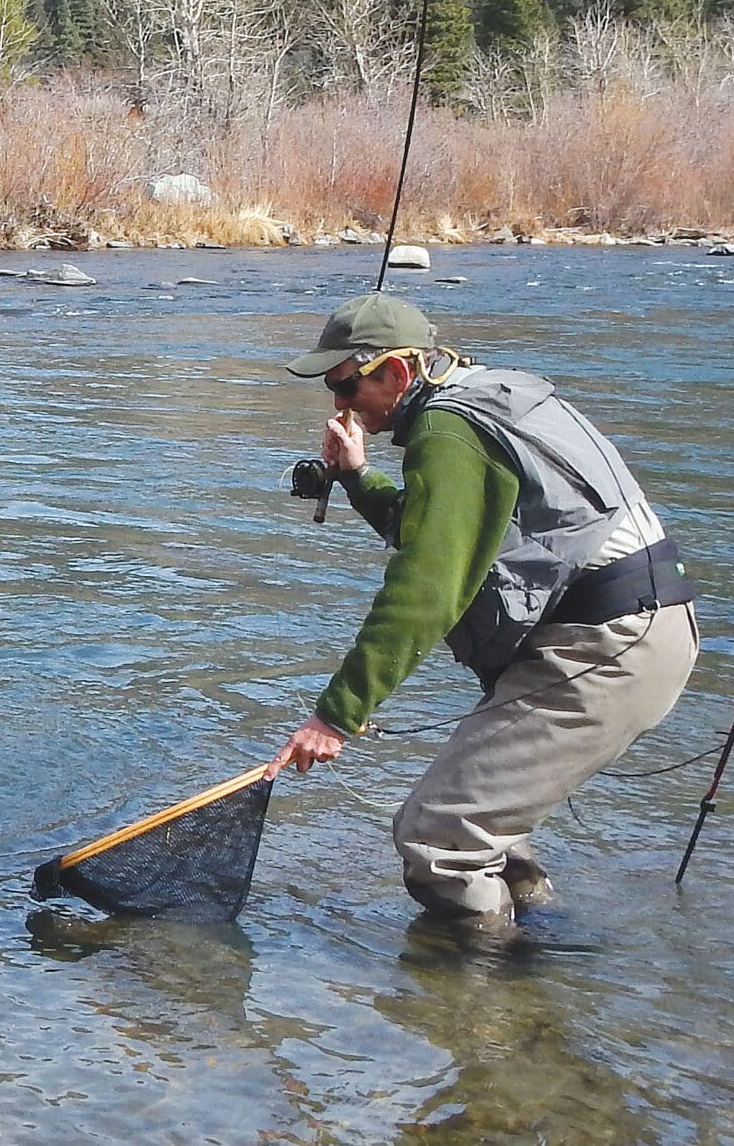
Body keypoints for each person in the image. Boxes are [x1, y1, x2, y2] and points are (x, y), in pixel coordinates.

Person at [266, 292, 698, 933]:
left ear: (399, 374)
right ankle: (536, 951)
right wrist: (358, 477)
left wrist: (336, 715)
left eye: (349, 387)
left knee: (438, 838)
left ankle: (486, 1008)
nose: (340, 406)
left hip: (609, 642)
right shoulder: (485, 396)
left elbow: (428, 587)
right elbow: (452, 536)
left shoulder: (446, 433)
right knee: (490, 828)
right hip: (636, 628)